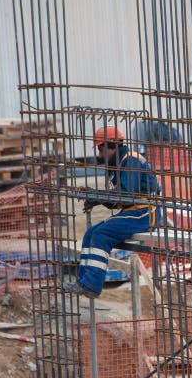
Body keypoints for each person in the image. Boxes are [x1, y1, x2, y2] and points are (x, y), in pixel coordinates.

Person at [63, 126, 161, 299]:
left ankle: (92, 285)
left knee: (101, 234)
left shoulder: (130, 160)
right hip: (133, 212)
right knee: (91, 233)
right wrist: (96, 198)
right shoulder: (119, 163)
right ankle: (83, 281)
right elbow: (118, 201)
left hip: (145, 212)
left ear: (112, 145)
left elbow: (126, 196)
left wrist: (97, 195)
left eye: (101, 149)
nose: (100, 155)